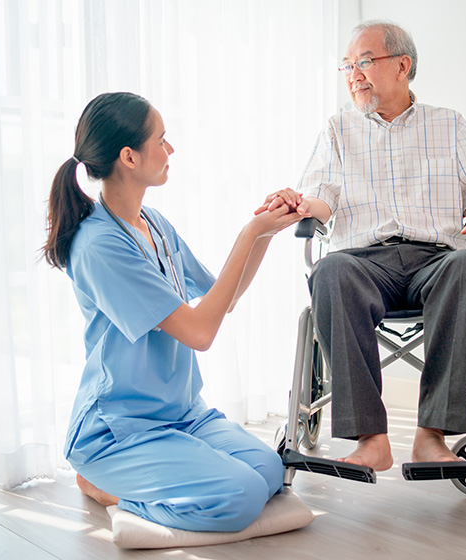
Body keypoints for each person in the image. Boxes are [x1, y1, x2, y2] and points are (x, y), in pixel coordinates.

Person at [258, 21, 466, 472]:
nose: (353, 74)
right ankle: (371, 440)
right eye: (347, 66)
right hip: (362, 264)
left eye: (363, 62)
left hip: (437, 262)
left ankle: (431, 437)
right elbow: (320, 197)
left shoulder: (450, 124)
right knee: (330, 270)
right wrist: (298, 204)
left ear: (402, 65)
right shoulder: (338, 130)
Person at [42, 92, 302, 532]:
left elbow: (223, 298)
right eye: (162, 140)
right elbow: (200, 334)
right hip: (120, 429)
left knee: (269, 472)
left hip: (182, 414)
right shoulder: (99, 246)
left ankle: (162, 475)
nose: (171, 149)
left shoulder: (155, 224)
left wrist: (266, 232)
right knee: (239, 496)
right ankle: (105, 487)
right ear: (129, 157)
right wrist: (249, 232)